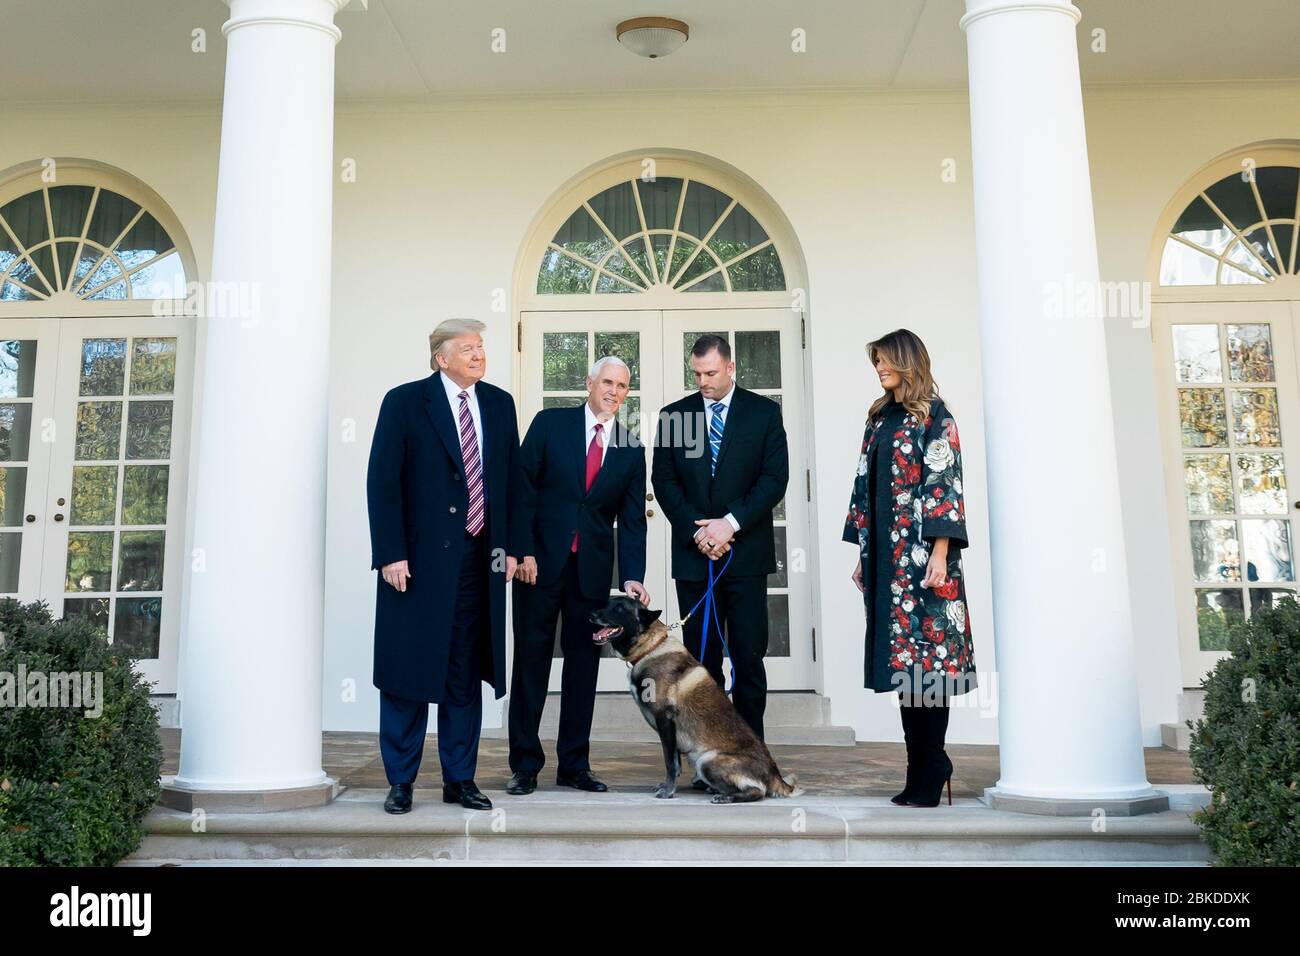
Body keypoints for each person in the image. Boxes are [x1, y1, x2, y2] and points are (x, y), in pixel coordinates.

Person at [367, 318, 519, 813]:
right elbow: (382, 482)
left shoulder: (499, 405)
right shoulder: (405, 402)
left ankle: (460, 779)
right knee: (408, 672)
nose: (479, 355)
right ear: (441, 358)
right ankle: (402, 781)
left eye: (481, 347)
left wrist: (511, 549)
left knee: (464, 673)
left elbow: (511, 484)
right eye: (468, 349)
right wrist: (390, 552)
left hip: (479, 565)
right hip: (415, 566)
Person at [842, 328, 977, 808]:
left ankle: (931, 763)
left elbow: (945, 485)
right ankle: (920, 765)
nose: (879, 369)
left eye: (885, 361)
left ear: (907, 361)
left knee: (930, 666)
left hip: (925, 563)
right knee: (906, 669)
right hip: (886, 562)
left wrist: (941, 554)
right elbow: (864, 486)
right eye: (875, 361)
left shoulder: (936, 417)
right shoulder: (879, 418)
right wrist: (862, 552)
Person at [506, 356, 650, 795]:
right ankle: (525, 766)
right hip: (538, 567)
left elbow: (632, 520)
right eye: (607, 382)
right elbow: (521, 489)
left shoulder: (630, 447)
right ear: (589, 383)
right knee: (531, 664)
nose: (613, 391)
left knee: (583, 667)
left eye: (622, 386)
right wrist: (521, 550)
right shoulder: (550, 424)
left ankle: (574, 765)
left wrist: (631, 577)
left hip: (590, 575)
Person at [651, 334, 788, 744]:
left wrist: (729, 524)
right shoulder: (674, 415)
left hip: (745, 555)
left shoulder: (764, 413)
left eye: (710, 373)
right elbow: (664, 480)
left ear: (731, 368)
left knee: (748, 658)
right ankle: (707, 751)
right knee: (701, 663)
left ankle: (750, 752)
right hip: (695, 558)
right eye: (696, 373)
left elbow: (773, 480)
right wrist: (700, 531)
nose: (703, 381)